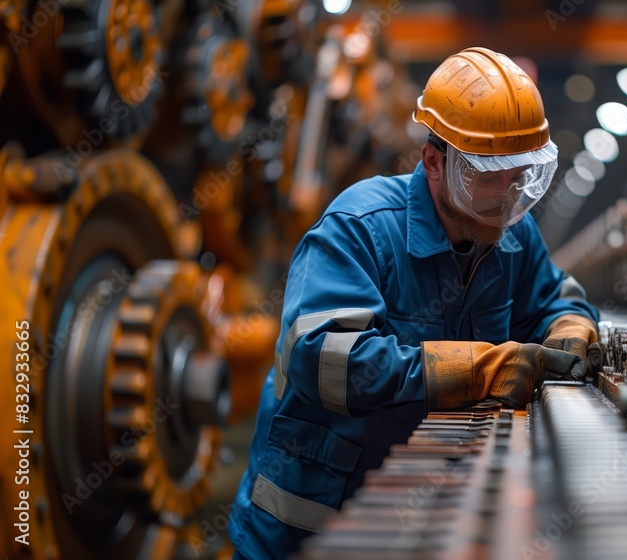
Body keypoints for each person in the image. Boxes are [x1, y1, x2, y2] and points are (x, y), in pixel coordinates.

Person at [228, 47, 600, 559]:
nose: (507, 194)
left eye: (520, 175)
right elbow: (320, 359)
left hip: (421, 520)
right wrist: (474, 369)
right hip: (309, 529)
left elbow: (557, 296)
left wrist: (571, 329)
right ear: (433, 162)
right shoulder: (359, 229)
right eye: (487, 174)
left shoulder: (513, 234)